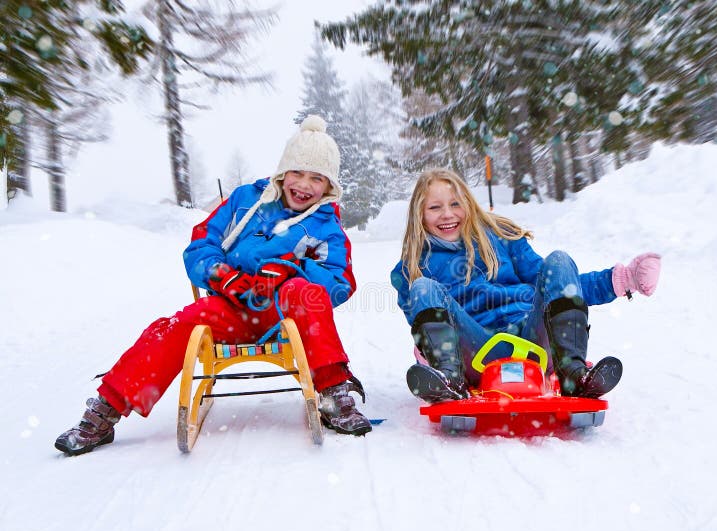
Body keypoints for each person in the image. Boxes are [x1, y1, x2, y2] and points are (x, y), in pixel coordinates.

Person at [56, 116, 372, 456]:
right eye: (297, 172)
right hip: (232, 308)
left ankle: (331, 391)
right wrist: (224, 276)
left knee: (306, 294)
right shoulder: (244, 201)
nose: (304, 184)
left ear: (329, 186)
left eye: (317, 178)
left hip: (285, 317)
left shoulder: (325, 225)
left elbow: (339, 282)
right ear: (283, 171)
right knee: (179, 326)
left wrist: (289, 269)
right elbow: (200, 247)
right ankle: (108, 408)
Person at [390, 168, 661, 403]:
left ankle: (573, 374)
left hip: (534, 343)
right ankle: (449, 382)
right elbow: (423, 326)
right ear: (420, 214)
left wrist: (624, 279)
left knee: (559, 261)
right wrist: (428, 357)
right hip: (475, 353)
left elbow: (558, 286)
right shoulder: (412, 268)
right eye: (435, 207)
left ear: (468, 205)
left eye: (455, 204)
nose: (447, 214)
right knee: (424, 287)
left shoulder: (501, 237)